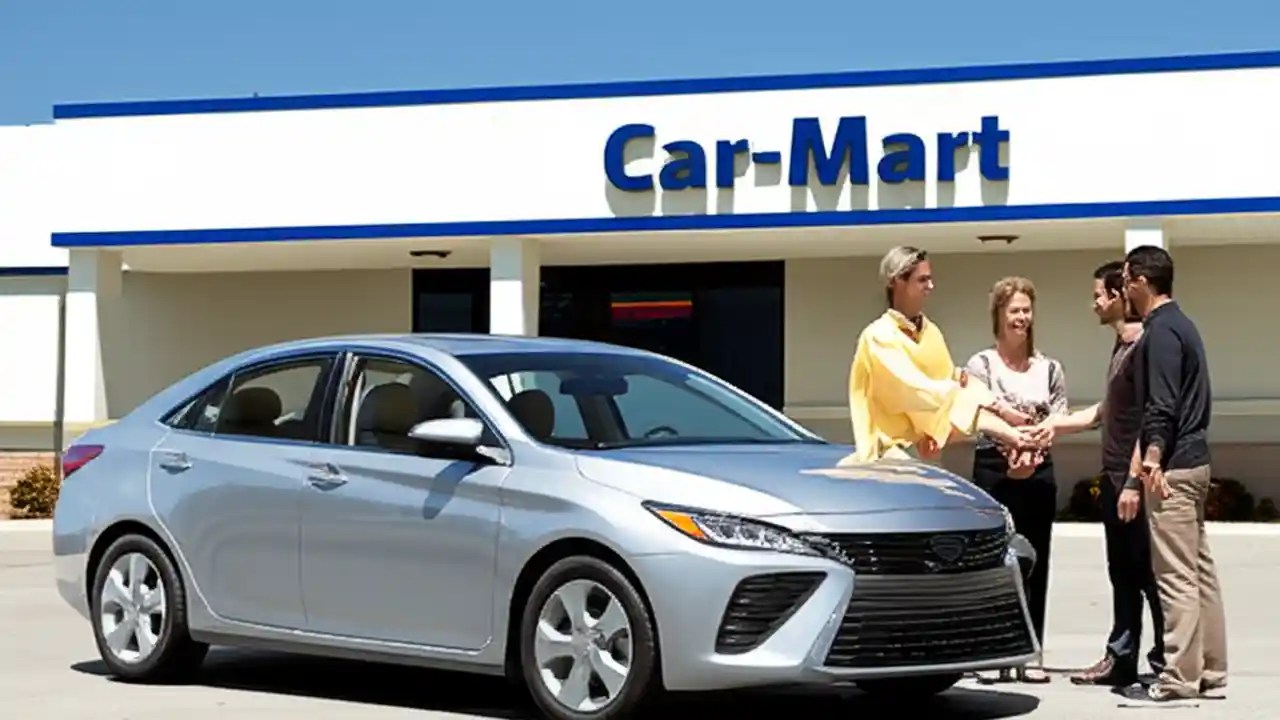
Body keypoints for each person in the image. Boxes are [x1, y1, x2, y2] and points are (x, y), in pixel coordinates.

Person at [1042, 261, 1165, 686]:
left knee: (1149, 573)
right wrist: (1054, 425)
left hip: (1133, 482)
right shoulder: (1121, 346)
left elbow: (1151, 419)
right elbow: (1107, 412)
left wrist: (1133, 481)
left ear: (1117, 296)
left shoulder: (1144, 347)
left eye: (1098, 295)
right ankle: (1122, 657)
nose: (1093, 302)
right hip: (1114, 477)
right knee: (1123, 572)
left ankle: (1167, 659)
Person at [1114, 245, 1227, 704]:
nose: (1122, 286)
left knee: (1175, 577)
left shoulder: (1160, 333)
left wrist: (1152, 460)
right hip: (1197, 461)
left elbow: (1161, 404)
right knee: (1200, 573)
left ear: (1141, 280)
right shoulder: (1185, 325)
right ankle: (1212, 671)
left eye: (1125, 277)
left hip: (1174, 468)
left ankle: (1179, 677)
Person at [847, 246, 1047, 464]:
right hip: (887, 456)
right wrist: (1009, 432)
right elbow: (923, 392)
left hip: (926, 454)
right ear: (897, 281)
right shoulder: (878, 336)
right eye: (922, 280)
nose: (930, 286)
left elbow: (954, 379)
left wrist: (1002, 410)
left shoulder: (930, 331)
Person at [964, 276, 1066, 684]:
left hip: (1040, 467)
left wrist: (1033, 450)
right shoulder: (980, 365)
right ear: (998, 316)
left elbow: (1057, 416)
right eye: (1014, 311)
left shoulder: (1050, 368)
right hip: (994, 466)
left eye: (1026, 310)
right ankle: (992, 652)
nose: (1021, 318)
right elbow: (979, 413)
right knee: (995, 560)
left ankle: (1031, 652)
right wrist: (1011, 450)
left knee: (1035, 560)